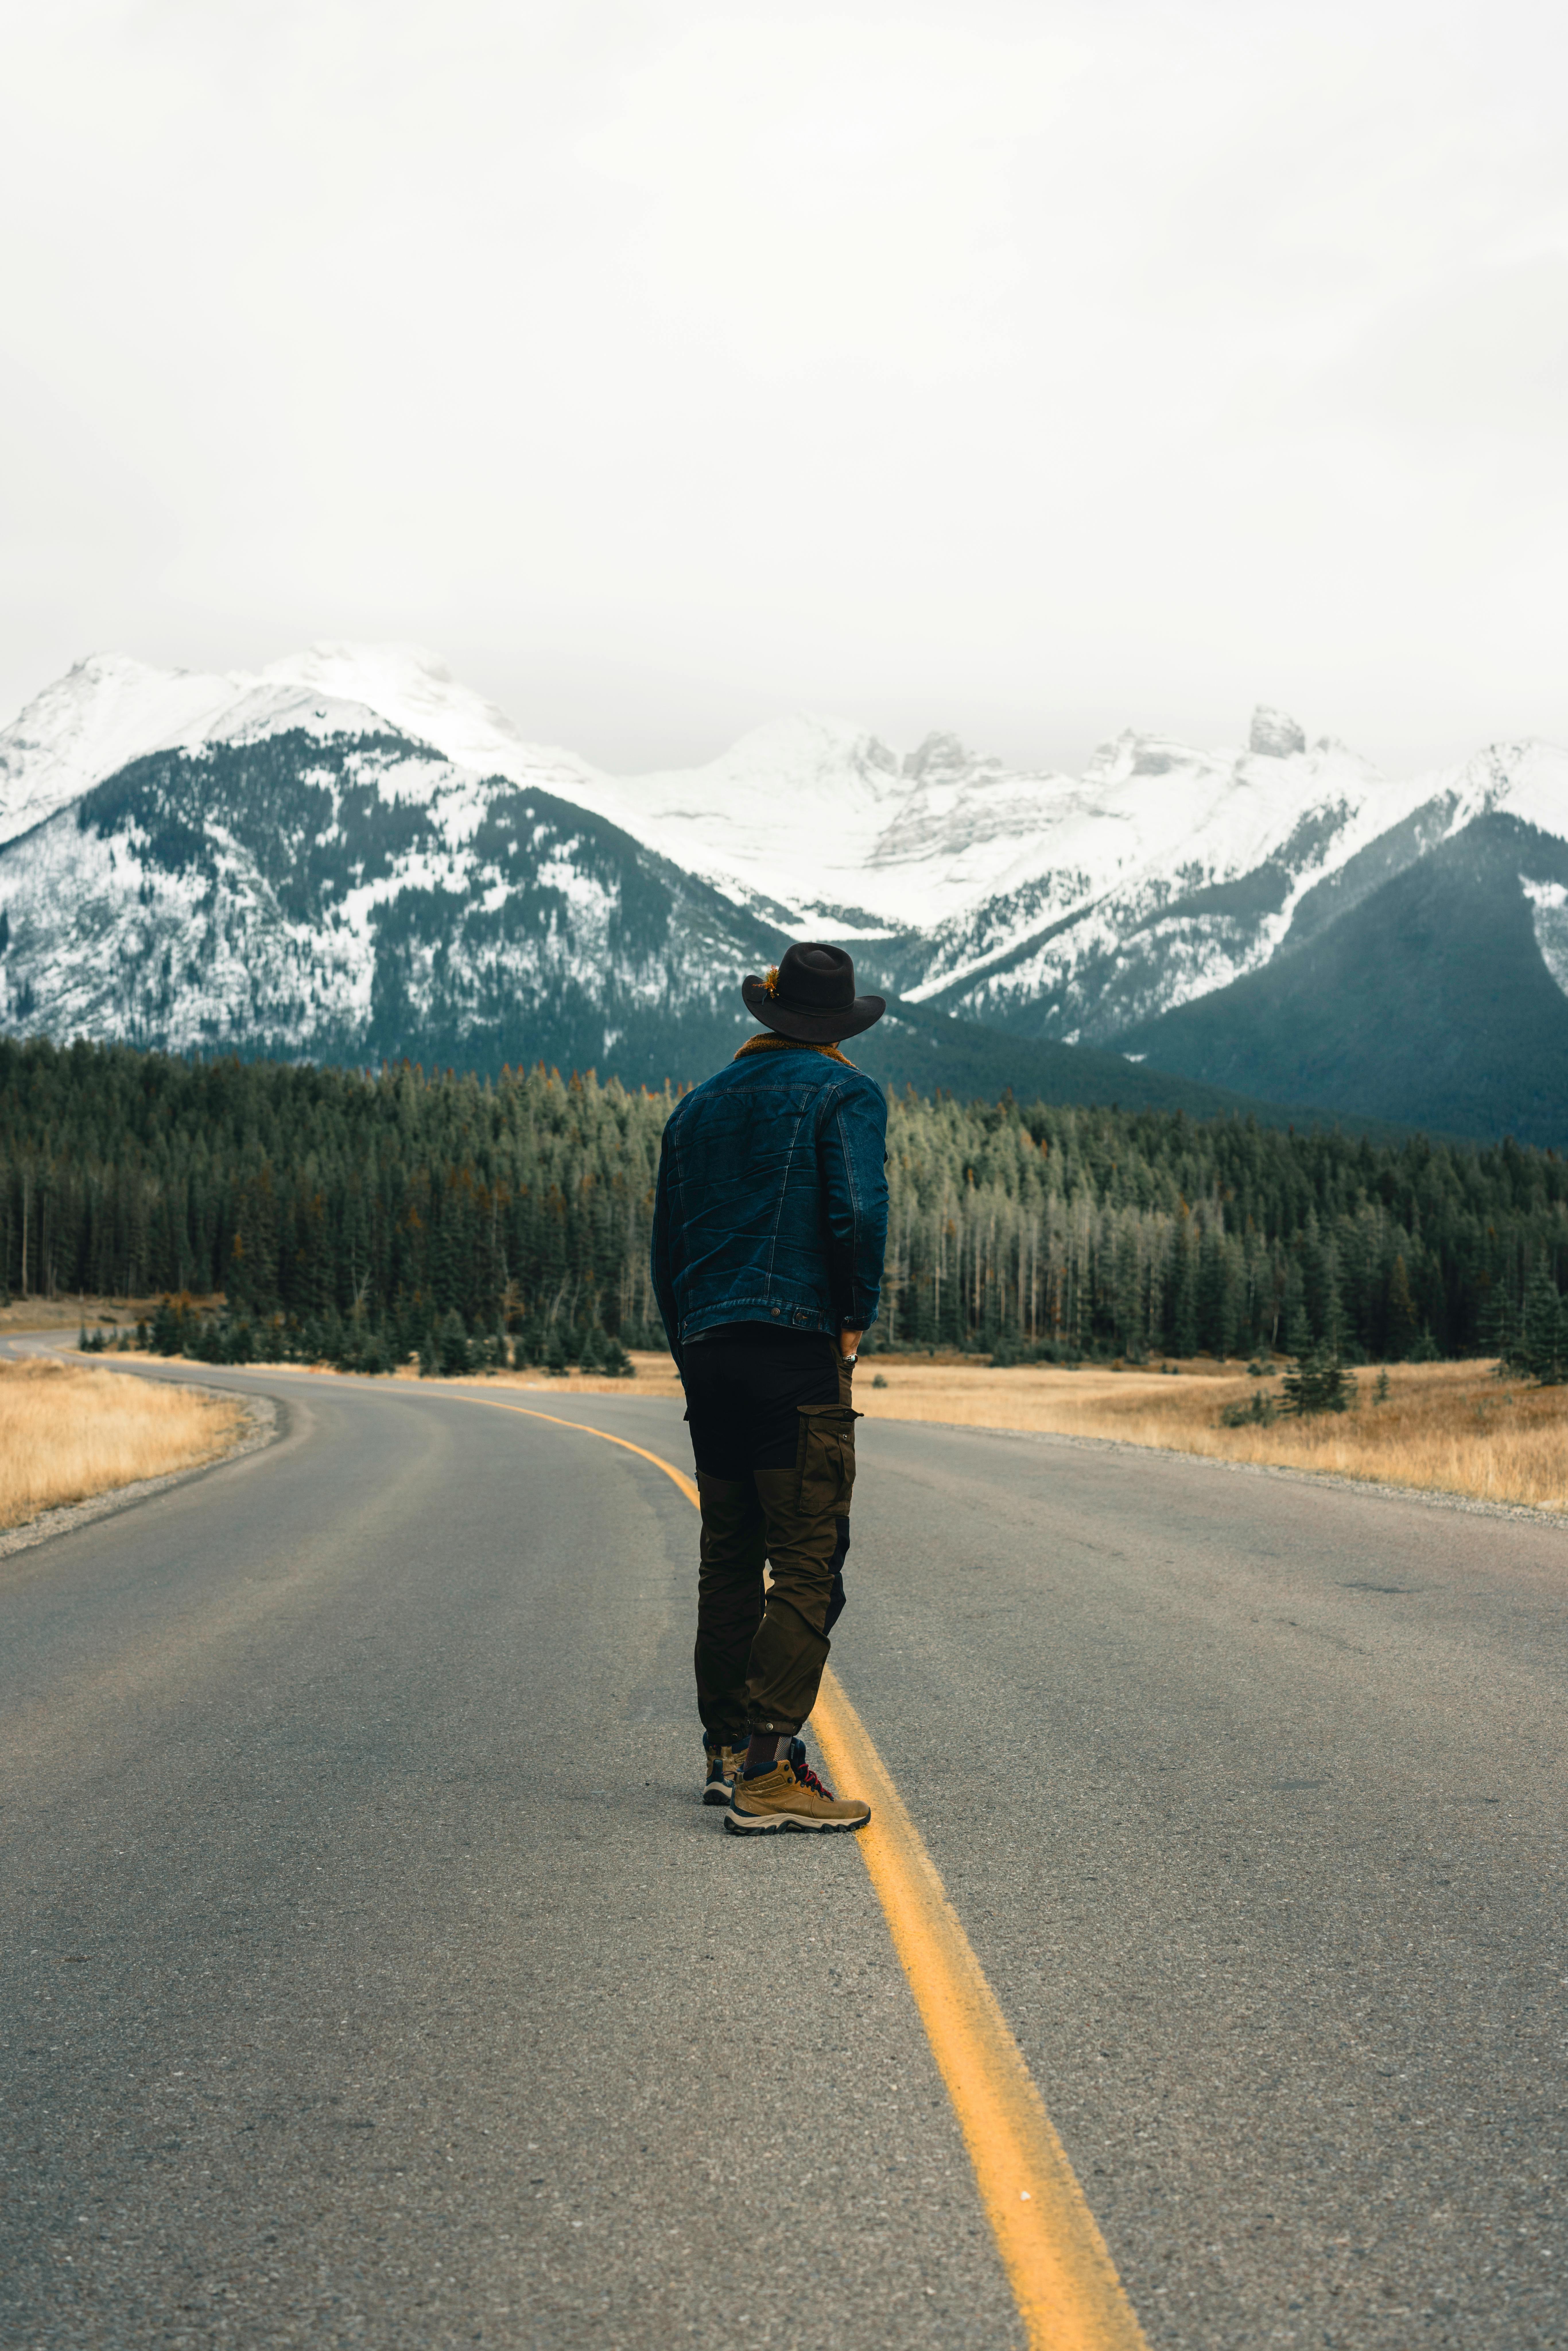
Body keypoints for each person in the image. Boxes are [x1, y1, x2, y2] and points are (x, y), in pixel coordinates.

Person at [650, 941, 889, 1834]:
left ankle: (721, 1756)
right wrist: (852, 1321)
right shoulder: (844, 1092)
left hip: (709, 1350)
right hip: (795, 1351)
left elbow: (665, 1253)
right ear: (833, 1031)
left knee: (728, 1556)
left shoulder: (695, 1109)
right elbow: (859, 1212)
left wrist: (690, 1349)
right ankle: (767, 1771)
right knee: (808, 1559)